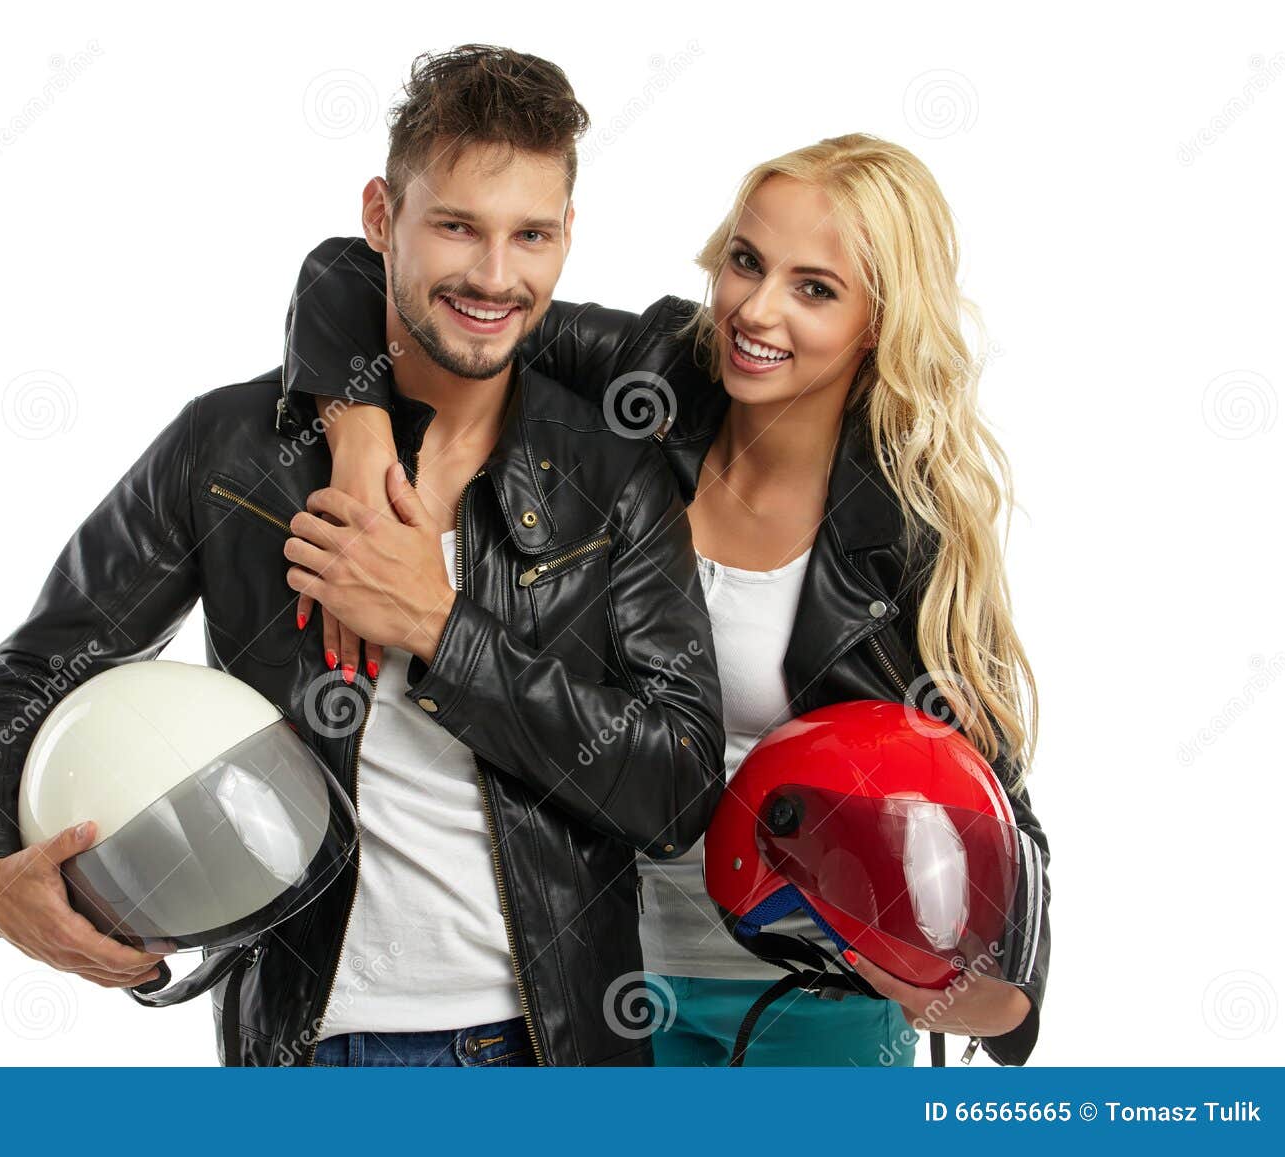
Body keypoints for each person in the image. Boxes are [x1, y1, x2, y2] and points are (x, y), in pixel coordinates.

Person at [0, 44, 726, 1067]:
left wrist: (439, 628)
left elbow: (676, 787)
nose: (496, 276)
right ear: (380, 217)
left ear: (567, 235)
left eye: (530, 234)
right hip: (308, 1045)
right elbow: (40, 666)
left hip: (554, 1049)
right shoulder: (229, 449)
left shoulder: (612, 475)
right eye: (457, 226)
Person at [278, 132, 1052, 1066]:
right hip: (593, 981)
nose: (756, 310)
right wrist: (358, 437)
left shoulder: (904, 534)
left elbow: (1000, 816)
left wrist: (979, 996)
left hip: (810, 1004)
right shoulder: (653, 373)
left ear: (878, 322)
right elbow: (361, 274)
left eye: (814, 289)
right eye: (746, 262)